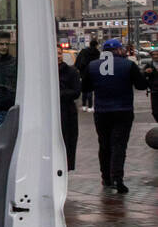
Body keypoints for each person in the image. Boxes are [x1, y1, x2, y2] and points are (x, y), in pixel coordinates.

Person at [81, 38, 148, 193]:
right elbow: (141, 85)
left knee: (104, 145)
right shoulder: (128, 65)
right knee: (119, 144)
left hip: (102, 111)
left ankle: (106, 177)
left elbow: (85, 87)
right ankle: (118, 177)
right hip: (123, 110)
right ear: (118, 50)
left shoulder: (93, 66)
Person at [58, 55, 80, 170]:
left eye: (60, 53)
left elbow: (76, 92)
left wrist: (59, 94)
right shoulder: (46, 71)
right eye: (55, 53)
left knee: (68, 141)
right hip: (53, 112)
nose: (58, 56)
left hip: (67, 111)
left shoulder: (71, 72)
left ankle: (67, 166)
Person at [75, 38, 100, 111]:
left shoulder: (84, 51)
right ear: (96, 45)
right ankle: (90, 106)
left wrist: (79, 70)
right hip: (92, 72)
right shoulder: (97, 52)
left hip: (84, 73)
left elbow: (79, 61)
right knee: (90, 90)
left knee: (84, 89)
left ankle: (83, 106)